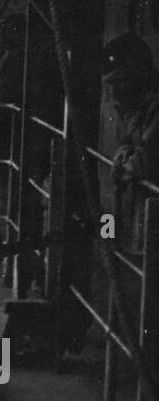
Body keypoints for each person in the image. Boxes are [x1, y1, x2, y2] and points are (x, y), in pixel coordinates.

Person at [104, 32, 159, 244]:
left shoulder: (153, 106)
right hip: (129, 205)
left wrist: (127, 161)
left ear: (138, 74)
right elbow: (128, 143)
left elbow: (147, 152)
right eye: (111, 83)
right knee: (112, 236)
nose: (114, 90)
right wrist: (124, 153)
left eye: (120, 81)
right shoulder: (127, 107)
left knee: (146, 264)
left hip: (148, 206)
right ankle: (108, 245)